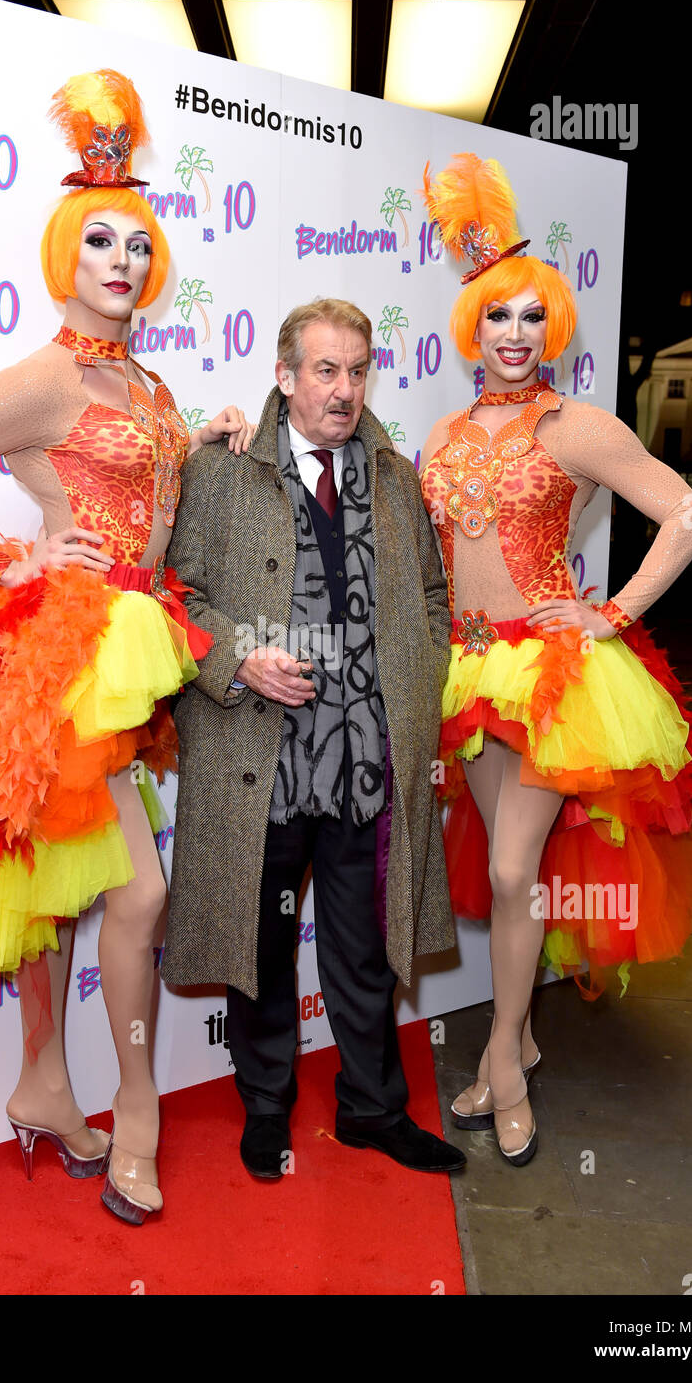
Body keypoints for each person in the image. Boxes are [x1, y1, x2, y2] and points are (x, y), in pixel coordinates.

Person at [0, 69, 253, 1224]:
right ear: (66, 254)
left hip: (136, 644)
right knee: (136, 893)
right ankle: (138, 1112)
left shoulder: (146, 379)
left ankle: (43, 1083)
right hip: (65, 655)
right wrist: (2, 558)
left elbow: (153, 476)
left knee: (68, 886)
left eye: (138, 243)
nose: (121, 261)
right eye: (100, 242)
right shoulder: (43, 377)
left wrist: (206, 432)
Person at [418, 153, 692, 1166]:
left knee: (509, 868)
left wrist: (614, 612)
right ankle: (523, 1034)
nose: (513, 335)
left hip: (549, 675)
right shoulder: (443, 436)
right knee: (510, 873)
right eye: (495, 317)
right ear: (472, 327)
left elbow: (688, 512)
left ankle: (503, 1055)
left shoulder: (576, 423)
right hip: (467, 676)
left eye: (531, 318)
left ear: (554, 328)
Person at [163, 298, 465, 1178]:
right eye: (323, 371)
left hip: (368, 759)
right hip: (260, 754)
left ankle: (374, 1108)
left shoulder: (395, 474)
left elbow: (434, 600)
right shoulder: (219, 474)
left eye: (357, 370)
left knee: (365, 944)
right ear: (284, 376)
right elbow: (176, 597)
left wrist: (411, 692)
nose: (342, 390)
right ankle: (266, 1107)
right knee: (256, 942)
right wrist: (238, 663)